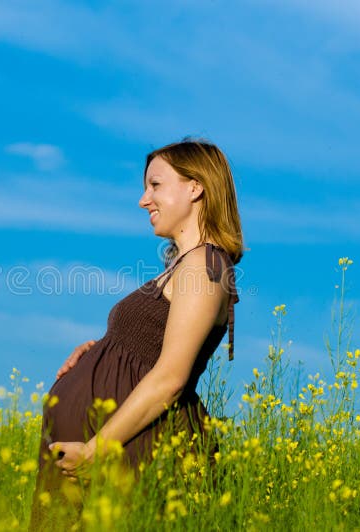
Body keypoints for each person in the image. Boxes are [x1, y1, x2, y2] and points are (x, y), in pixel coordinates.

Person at [29, 138, 244, 529]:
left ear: (195, 187)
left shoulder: (204, 265)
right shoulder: (185, 266)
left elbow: (170, 379)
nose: (144, 200)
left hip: (130, 454)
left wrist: (97, 451)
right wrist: (104, 351)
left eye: (155, 185)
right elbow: (153, 348)